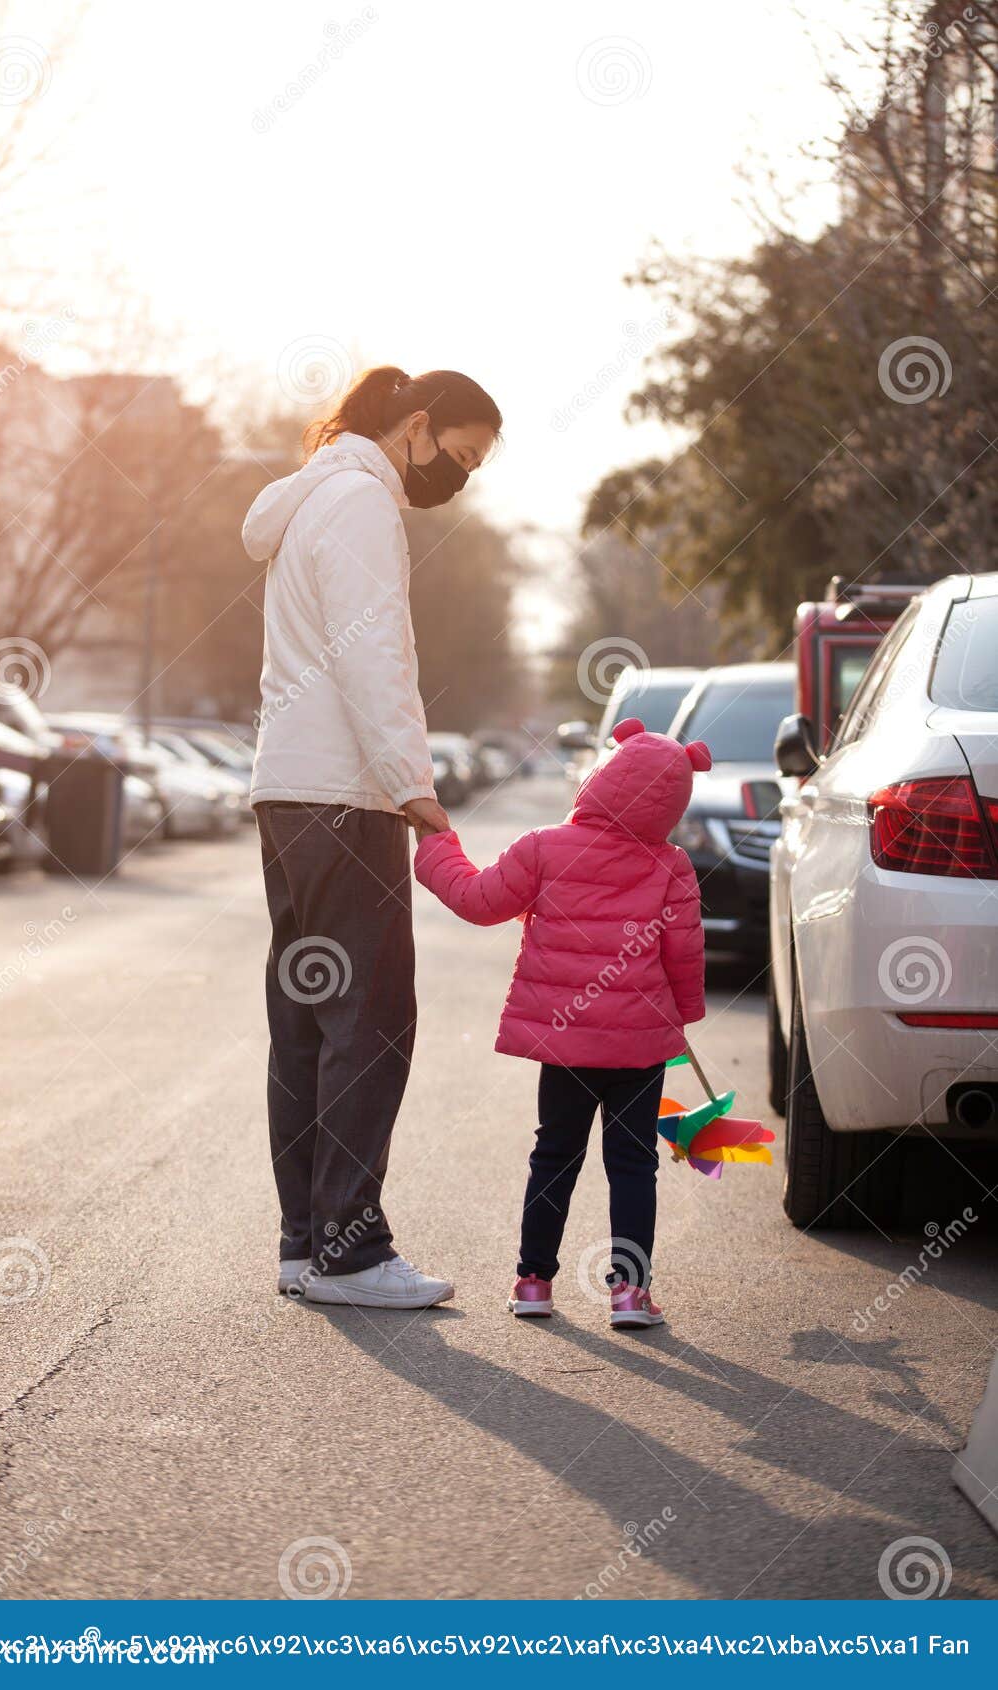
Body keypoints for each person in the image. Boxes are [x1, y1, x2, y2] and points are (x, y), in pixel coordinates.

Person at [241, 366, 502, 1309]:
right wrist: (412, 786)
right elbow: (372, 654)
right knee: (372, 1019)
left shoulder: (312, 499)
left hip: (289, 794)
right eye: (460, 456)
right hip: (346, 797)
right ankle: (350, 1253)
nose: (459, 479)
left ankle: (306, 1244)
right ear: (417, 427)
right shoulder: (360, 503)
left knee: (309, 1021)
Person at [413, 719, 710, 1328]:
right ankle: (629, 1294)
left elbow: (478, 900)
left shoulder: (546, 847)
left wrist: (437, 846)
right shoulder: (672, 864)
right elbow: (684, 951)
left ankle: (533, 1282)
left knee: (554, 1156)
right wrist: (683, 1014)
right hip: (639, 1049)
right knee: (632, 1166)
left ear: (603, 778)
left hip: (567, 1043)